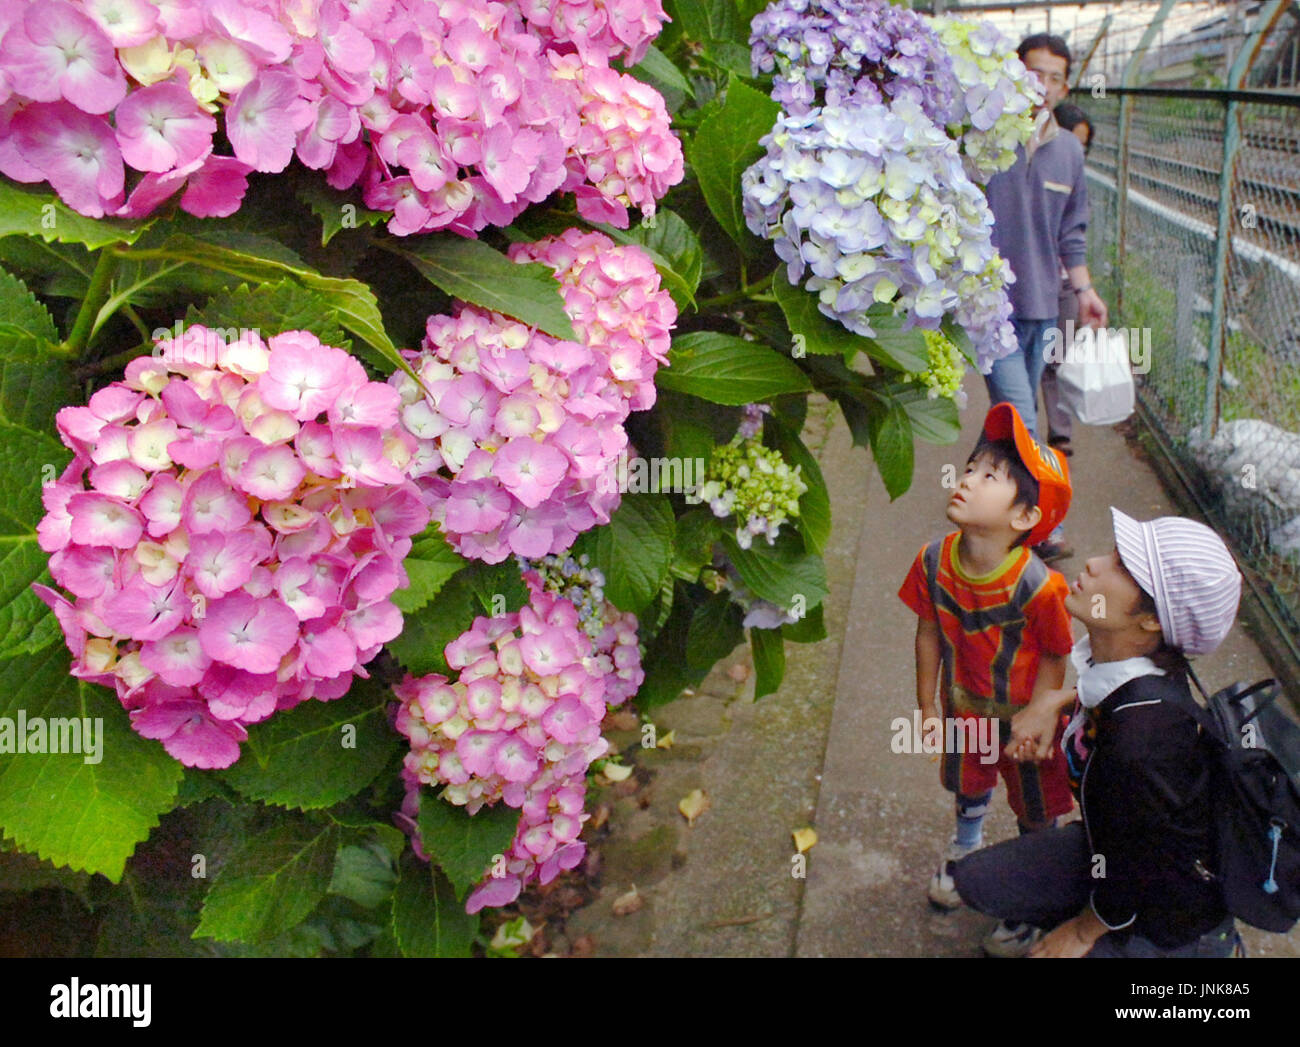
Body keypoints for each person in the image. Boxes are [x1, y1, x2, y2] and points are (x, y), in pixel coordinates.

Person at [952, 508, 1244, 957]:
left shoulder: (1140, 746)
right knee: (976, 881)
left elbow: (1136, 866)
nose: (1092, 563)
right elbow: (1110, 697)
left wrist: (1083, 932)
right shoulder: (1136, 675)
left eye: (1123, 569)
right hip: (1116, 847)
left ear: (1151, 621)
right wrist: (1055, 700)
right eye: (1113, 554)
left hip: (1164, 903)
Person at [898, 402, 1075, 957]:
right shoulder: (933, 561)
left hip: (1023, 720)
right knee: (968, 782)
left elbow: (1055, 653)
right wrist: (927, 706)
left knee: (1033, 806)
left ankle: (1034, 897)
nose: (967, 479)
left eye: (990, 477)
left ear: (1024, 517)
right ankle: (966, 848)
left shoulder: (1039, 588)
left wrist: (1043, 715)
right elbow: (928, 633)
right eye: (971, 467)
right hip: (964, 707)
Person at [983, 34, 1108, 562]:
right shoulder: (985, 135)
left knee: (1010, 421)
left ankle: (982, 503)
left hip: (1043, 304)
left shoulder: (1069, 151)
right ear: (1016, 73)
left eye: (1054, 77)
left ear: (1066, 85)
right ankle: (1039, 528)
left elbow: (1071, 233)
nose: (1044, 86)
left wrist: (1084, 290)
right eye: (1034, 73)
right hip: (990, 308)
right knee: (1025, 423)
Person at [1040, 103, 1096, 459]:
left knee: (1058, 356)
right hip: (1031, 281)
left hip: (1064, 284)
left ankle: (1060, 435)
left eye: (1083, 147)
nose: (1076, 153)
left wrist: (1084, 287)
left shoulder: (1075, 181)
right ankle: (1020, 430)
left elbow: (1074, 236)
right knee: (1029, 356)